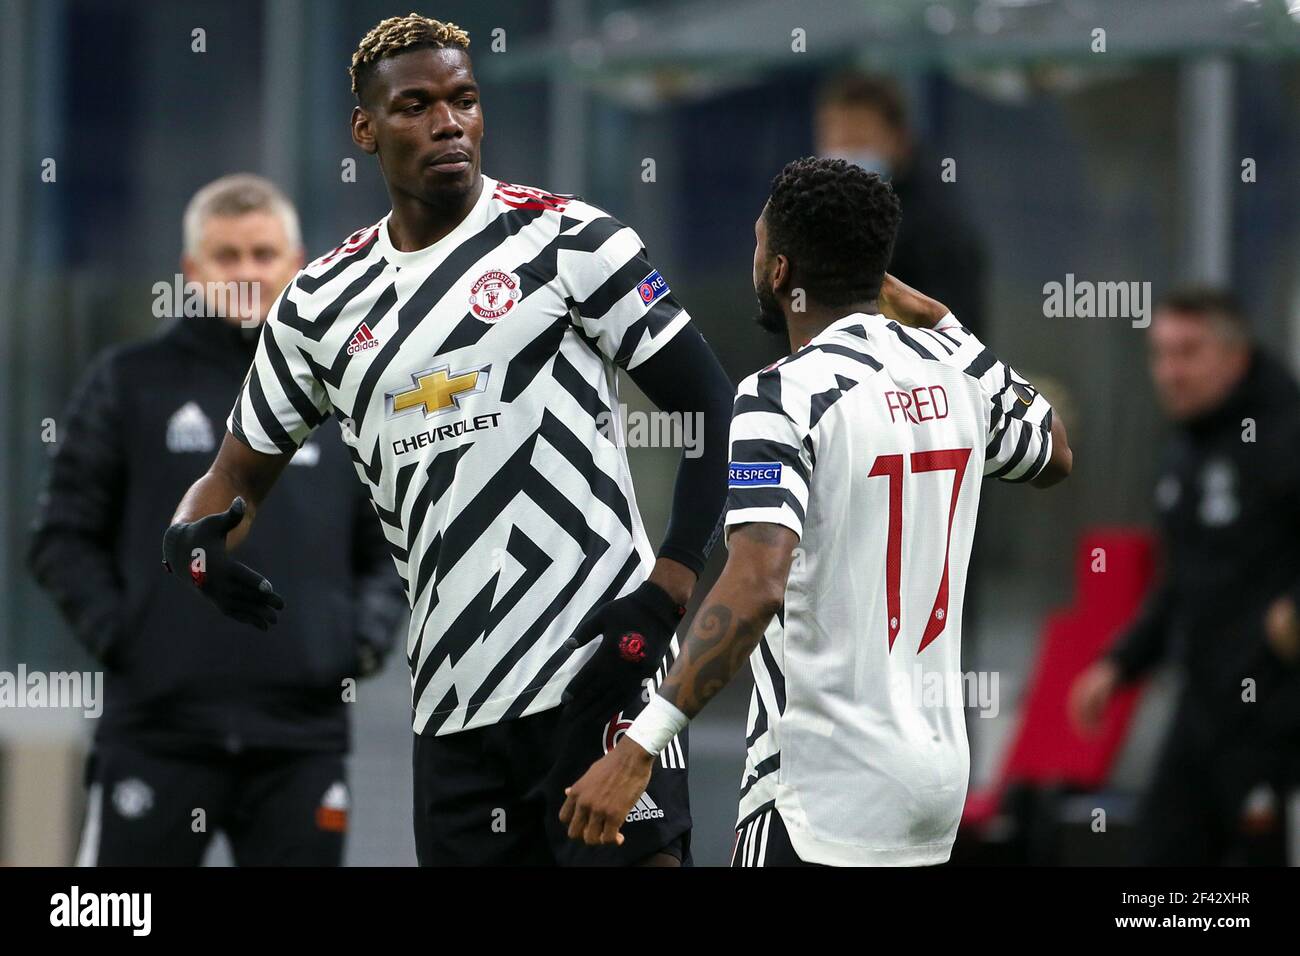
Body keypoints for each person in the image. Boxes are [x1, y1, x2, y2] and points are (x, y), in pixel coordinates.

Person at [161, 15, 734, 867]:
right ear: (366, 128)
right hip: (455, 716)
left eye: (463, 99)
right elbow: (233, 477)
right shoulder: (320, 303)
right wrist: (194, 546)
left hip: (598, 682)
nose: (447, 122)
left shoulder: (571, 240)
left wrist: (667, 595)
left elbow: (715, 410)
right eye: (416, 105)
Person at [560, 157, 1072, 865]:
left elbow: (755, 584)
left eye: (758, 243)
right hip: (932, 791)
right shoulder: (953, 379)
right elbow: (1052, 450)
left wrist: (640, 744)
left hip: (817, 796)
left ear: (779, 270)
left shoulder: (781, 396)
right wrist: (949, 327)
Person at [28, 174, 405, 866]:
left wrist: (356, 642)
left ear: (295, 266)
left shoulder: (343, 391)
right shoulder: (128, 382)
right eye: (226, 256)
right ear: (191, 271)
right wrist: (128, 636)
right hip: (158, 732)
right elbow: (61, 536)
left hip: (301, 737)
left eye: (263, 255)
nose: (246, 272)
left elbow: (391, 540)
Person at [1070, 288, 1300, 866]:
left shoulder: (1285, 435)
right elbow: (1181, 581)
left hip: (1277, 717)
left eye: (1188, 353)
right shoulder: (1187, 447)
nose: (1170, 372)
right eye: (1160, 354)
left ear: (1235, 357)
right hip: (1200, 708)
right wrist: (1120, 662)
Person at [815, 72, 986, 337]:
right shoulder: (811, 215)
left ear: (898, 140)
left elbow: (953, 330)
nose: (843, 152)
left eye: (858, 139)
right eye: (834, 139)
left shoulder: (939, 225)